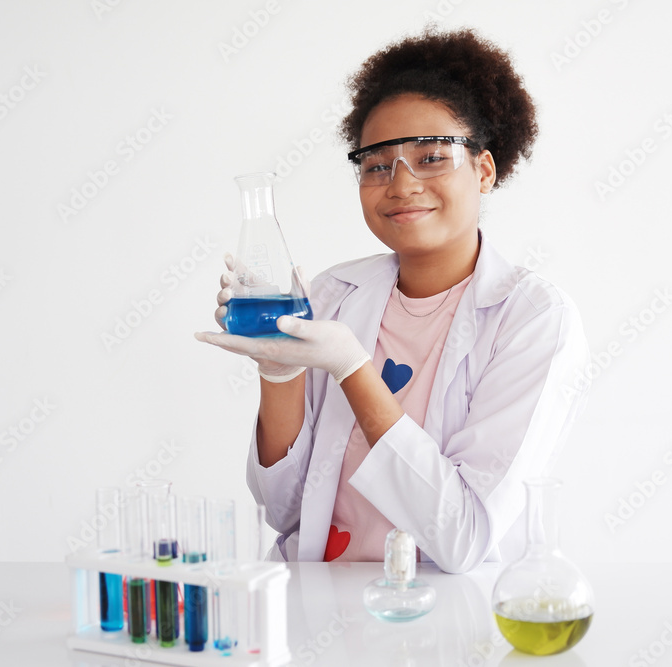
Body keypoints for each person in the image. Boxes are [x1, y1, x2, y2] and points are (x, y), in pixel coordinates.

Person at [196, 28, 590, 574]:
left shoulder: (533, 319)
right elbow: (285, 512)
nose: (401, 185)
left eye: (431, 157)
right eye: (377, 165)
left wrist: (353, 368)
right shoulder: (333, 295)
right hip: (316, 608)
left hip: (452, 620)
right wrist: (277, 373)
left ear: (484, 169)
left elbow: (464, 537)